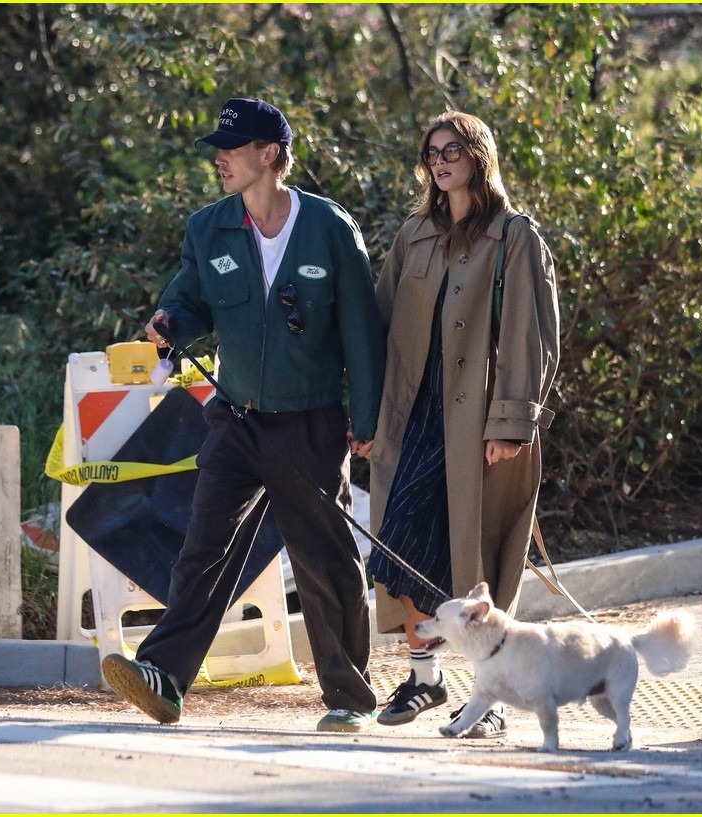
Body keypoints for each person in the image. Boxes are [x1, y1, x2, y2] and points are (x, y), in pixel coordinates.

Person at [101, 97, 387, 733]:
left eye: (232, 149)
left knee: (325, 557)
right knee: (202, 548)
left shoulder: (329, 229)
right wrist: (169, 323)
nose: (220, 160)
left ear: (271, 155)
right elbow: (189, 300)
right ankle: (165, 677)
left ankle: (350, 697)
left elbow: (364, 334)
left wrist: (366, 422)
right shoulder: (209, 228)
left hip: (309, 423)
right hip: (236, 419)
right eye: (218, 151)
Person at [363, 111, 561, 737]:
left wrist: (511, 420)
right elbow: (379, 330)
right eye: (431, 153)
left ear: (479, 155)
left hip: (480, 422)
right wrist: (365, 416)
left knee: (480, 555)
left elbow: (532, 336)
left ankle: (493, 693)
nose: (440, 161)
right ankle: (425, 677)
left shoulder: (514, 236)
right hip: (412, 415)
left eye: (452, 150)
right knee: (400, 543)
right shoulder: (413, 235)